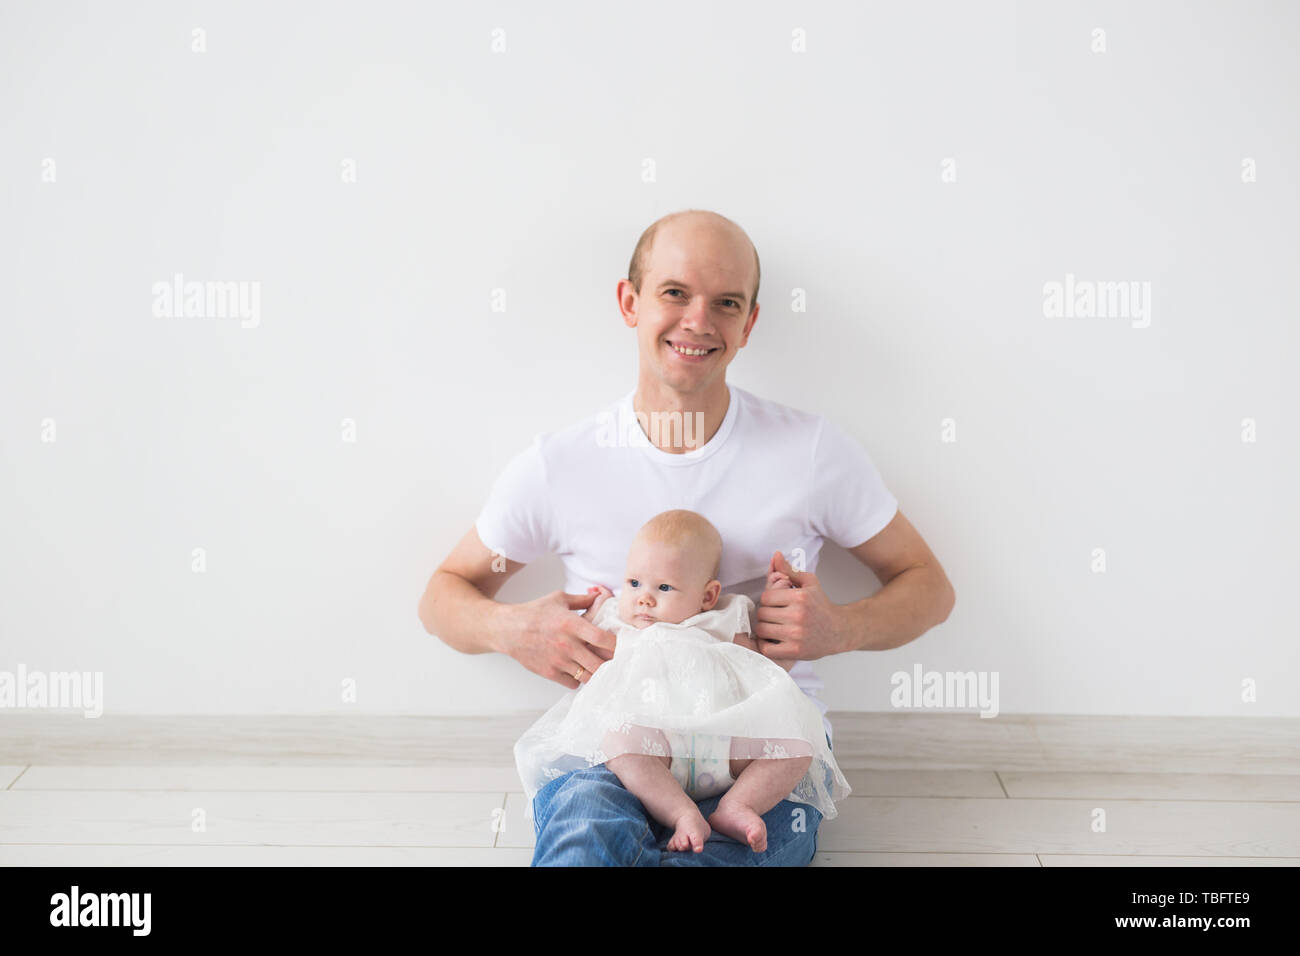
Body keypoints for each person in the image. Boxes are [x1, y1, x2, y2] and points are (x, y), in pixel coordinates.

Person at [418, 208, 956, 866]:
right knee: (583, 845)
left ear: (748, 323)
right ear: (630, 302)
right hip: (614, 750)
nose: (699, 321)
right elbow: (442, 596)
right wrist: (513, 631)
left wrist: (839, 629)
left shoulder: (811, 452)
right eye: (674, 293)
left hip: (760, 750)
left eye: (726, 303)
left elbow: (929, 587)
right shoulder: (560, 465)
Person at [513, 509, 852, 855]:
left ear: (707, 596)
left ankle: (738, 805)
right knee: (618, 742)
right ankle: (682, 813)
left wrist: (781, 609)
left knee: (796, 748)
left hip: (725, 742)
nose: (644, 597)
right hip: (654, 748)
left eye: (663, 587)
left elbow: (761, 664)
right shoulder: (617, 618)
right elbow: (584, 647)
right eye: (633, 583)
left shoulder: (724, 616)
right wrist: (592, 609)